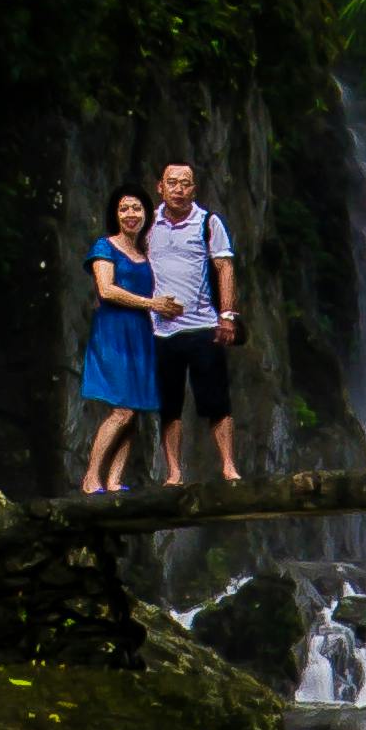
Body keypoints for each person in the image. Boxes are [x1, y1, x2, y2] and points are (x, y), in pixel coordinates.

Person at [140, 159, 242, 493]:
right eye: (173, 183)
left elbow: (224, 267)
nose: (179, 190)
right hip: (161, 329)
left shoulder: (208, 223)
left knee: (216, 400)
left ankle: (228, 465)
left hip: (202, 324)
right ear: (160, 186)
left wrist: (227, 315)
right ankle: (173, 472)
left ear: (194, 189)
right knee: (169, 403)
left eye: (185, 184)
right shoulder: (148, 224)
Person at [79, 191, 162, 496]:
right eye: (124, 209)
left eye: (136, 208)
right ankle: (91, 477)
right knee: (122, 410)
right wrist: (150, 303)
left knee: (135, 409)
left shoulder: (147, 254)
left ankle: (114, 479)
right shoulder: (105, 246)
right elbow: (106, 290)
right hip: (113, 331)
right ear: (116, 215)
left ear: (145, 213)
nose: (130, 214)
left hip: (140, 332)